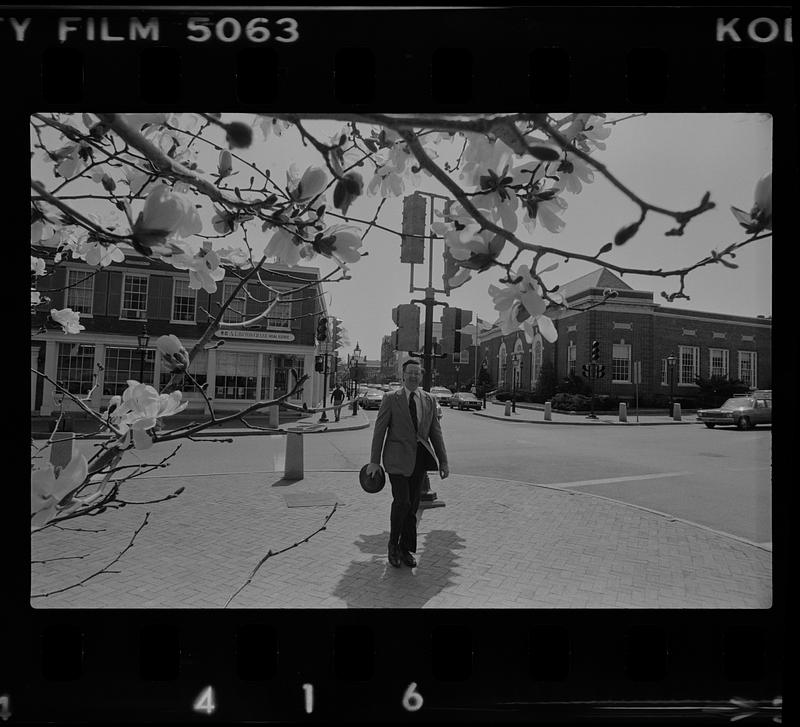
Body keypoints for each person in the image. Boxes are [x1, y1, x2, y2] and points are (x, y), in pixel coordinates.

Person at [367, 360, 449, 569]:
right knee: (401, 501)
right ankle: (393, 545)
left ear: (420, 376)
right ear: (403, 376)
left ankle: (406, 549)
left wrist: (443, 461)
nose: (413, 376)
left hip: (418, 461)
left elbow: (435, 433)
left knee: (412, 506)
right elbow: (380, 430)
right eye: (409, 373)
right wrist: (374, 462)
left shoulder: (429, 400)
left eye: (417, 373)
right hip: (396, 459)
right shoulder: (390, 399)